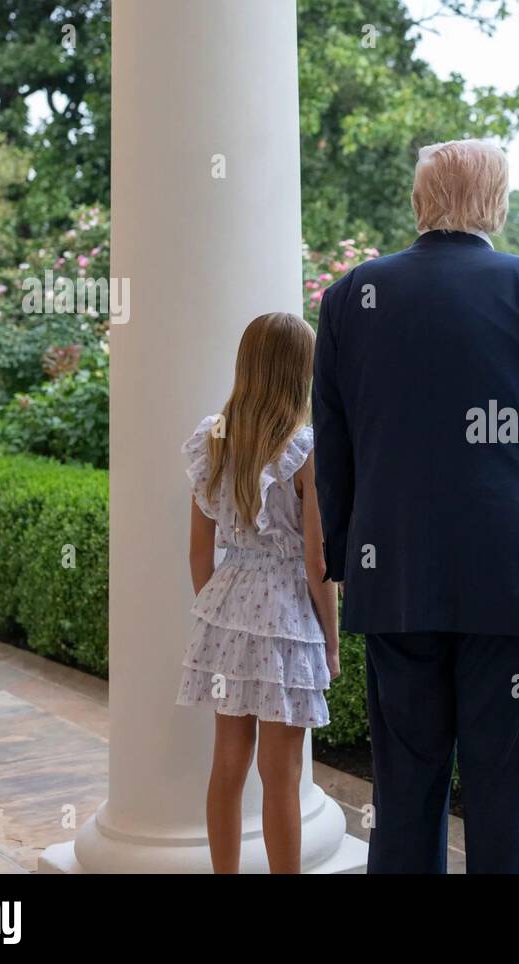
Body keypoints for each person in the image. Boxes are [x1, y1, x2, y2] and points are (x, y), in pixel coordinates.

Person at [312, 139, 519, 873]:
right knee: (511, 791)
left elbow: (335, 439)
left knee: (405, 787)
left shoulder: (353, 296)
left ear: (421, 203)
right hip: (514, 578)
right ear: (497, 203)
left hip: (396, 573)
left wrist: (349, 556)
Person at [175, 312, 341, 874]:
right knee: (282, 775)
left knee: (227, 766)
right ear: (301, 373)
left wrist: (218, 615)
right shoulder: (305, 450)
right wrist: (334, 644)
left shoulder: (212, 439)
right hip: (288, 617)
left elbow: (200, 551)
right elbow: (318, 562)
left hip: (227, 606)